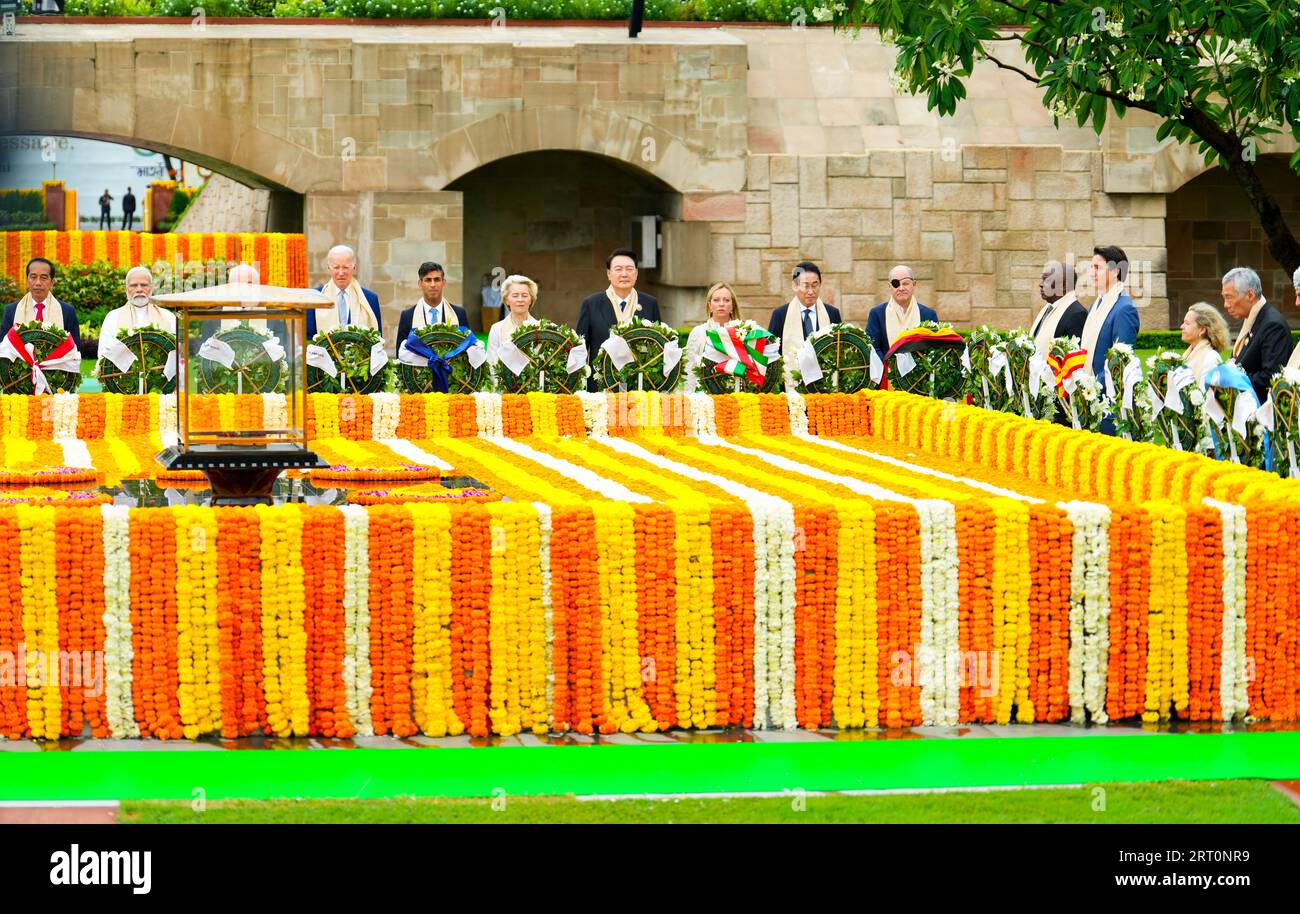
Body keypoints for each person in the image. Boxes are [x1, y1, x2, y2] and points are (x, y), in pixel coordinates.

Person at [576, 248, 660, 376]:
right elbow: (580, 348)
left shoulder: (650, 303)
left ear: (636, 273)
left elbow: (657, 346)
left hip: (640, 383)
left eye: (629, 269)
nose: (624, 274)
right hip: (600, 383)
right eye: (618, 269)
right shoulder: (591, 304)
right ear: (609, 274)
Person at [1222, 265, 1292, 402]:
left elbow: (1272, 376)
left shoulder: (1273, 325)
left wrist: (1232, 381)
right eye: (1224, 298)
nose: (1226, 304)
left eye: (1229, 297)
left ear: (1250, 295)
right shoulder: (1251, 318)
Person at [1079, 245, 1140, 379]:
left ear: (1115, 271)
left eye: (1097, 268)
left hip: (1104, 394)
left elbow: (1120, 363)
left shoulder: (1124, 309)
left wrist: (1093, 388)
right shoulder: (1094, 306)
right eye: (1091, 267)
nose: (1091, 273)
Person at [768, 261, 842, 362]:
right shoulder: (780, 315)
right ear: (795, 286)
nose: (811, 292)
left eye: (815, 285)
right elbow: (771, 353)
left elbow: (840, 351)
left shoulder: (832, 314)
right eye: (806, 286)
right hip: (791, 375)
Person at [97, 267, 176, 360]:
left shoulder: (168, 317)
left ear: (152, 288)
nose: (139, 289)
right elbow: (103, 355)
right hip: (124, 374)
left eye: (144, 285)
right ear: (126, 289)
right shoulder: (112, 317)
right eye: (134, 285)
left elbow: (177, 355)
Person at [1, 257, 81, 347]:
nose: (38, 283)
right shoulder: (12, 310)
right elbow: (4, 348)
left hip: (57, 361)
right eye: (33, 277)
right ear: (27, 281)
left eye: (44, 278)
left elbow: (75, 349)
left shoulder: (67, 311)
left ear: (52, 282)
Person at [308, 244, 382, 337]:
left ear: (354, 268)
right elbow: (309, 337)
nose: (341, 273)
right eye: (336, 267)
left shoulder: (370, 299)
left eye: (346, 267)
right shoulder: (316, 298)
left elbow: (378, 339)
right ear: (328, 269)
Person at [865, 264, 936, 359]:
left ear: (914, 284)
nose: (901, 288)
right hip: (887, 371)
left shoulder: (929, 315)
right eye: (896, 284)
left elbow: (934, 350)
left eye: (905, 283)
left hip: (921, 372)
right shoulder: (877, 314)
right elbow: (873, 348)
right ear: (890, 287)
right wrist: (889, 368)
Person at [396, 262, 469, 348]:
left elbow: (467, 347)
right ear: (420, 284)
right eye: (428, 280)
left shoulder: (459, 314)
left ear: (443, 283)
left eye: (437, 279)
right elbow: (400, 353)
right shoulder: (408, 316)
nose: (433, 285)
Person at [1030, 260, 1087, 356]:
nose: (1040, 284)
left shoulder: (1076, 314)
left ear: (1063, 285)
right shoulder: (1048, 308)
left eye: (1046, 279)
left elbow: (1074, 360)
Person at [487, 275, 541, 365]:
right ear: (506, 300)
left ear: (531, 300)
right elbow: (491, 363)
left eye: (524, 295)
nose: (520, 300)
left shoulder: (541, 328)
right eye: (515, 296)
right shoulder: (496, 329)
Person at [687, 281, 742, 366]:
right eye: (716, 300)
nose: (721, 304)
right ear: (710, 306)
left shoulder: (742, 332)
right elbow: (689, 368)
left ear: (732, 306)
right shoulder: (698, 332)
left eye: (726, 300)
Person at [1179, 302, 1228, 384]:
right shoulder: (1187, 354)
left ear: (1202, 330)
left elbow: (1206, 394)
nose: (1181, 327)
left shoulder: (1211, 358)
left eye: (1187, 323)